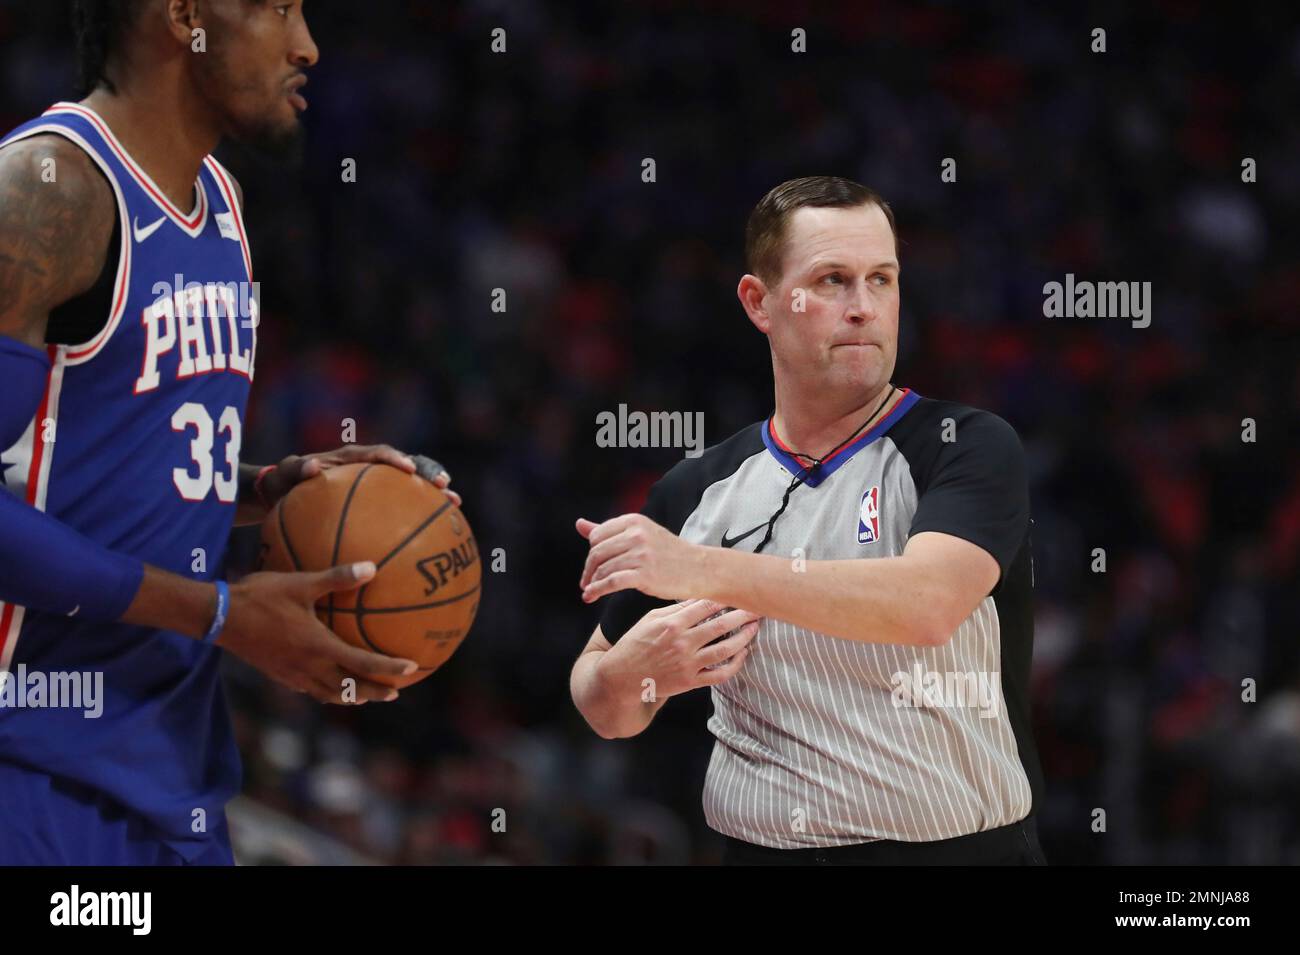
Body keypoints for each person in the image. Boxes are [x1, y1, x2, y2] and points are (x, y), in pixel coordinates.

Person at [0, 0, 456, 865]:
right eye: (278, 8)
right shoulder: (44, 193)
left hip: (175, 775)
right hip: (27, 778)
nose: (308, 44)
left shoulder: (223, 202)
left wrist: (266, 488)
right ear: (183, 16)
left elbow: (105, 459)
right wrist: (218, 612)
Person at [571, 176, 1047, 865]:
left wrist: (699, 565)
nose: (863, 308)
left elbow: (927, 605)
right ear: (759, 302)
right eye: (832, 280)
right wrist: (630, 676)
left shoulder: (967, 443)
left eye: (881, 280)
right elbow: (601, 702)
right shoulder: (696, 490)